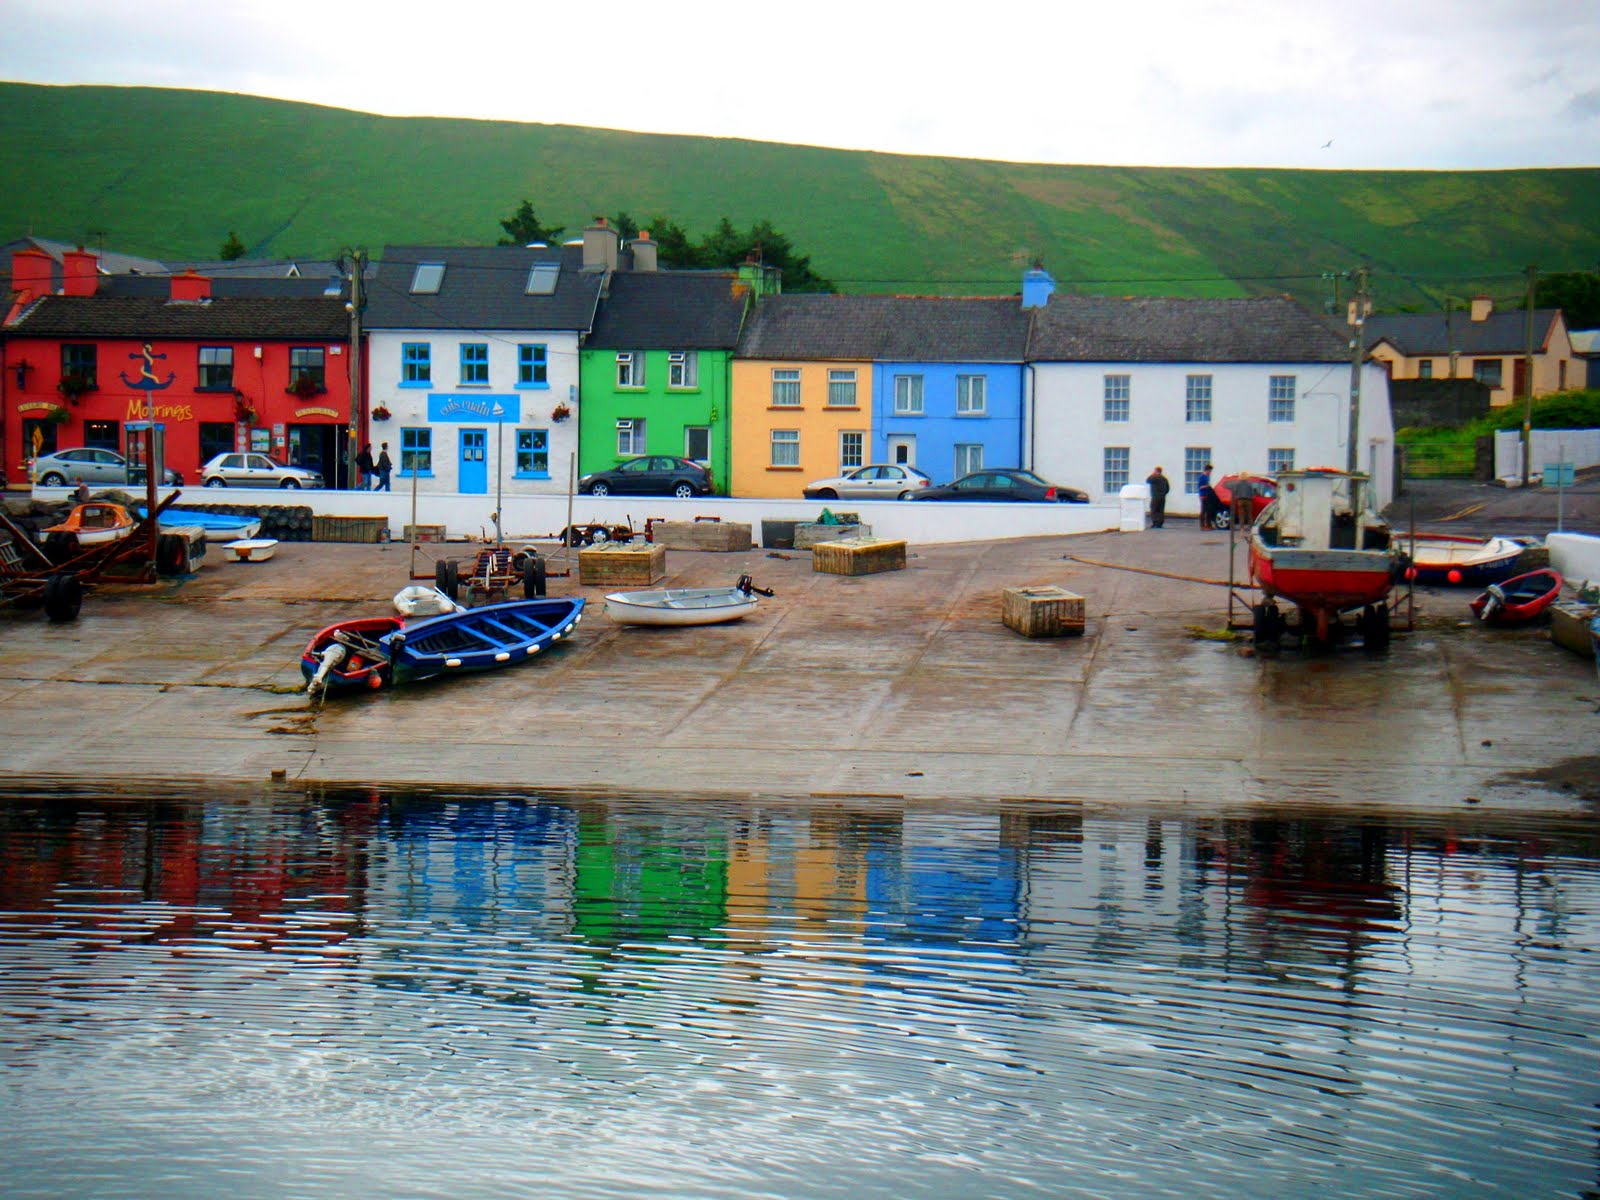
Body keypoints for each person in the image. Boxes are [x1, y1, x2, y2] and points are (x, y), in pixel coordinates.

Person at [1197, 462, 1218, 529]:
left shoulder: (1207, 477)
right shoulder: (1202, 477)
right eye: (1210, 471)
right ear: (1207, 470)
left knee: (1209, 510)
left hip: (1208, 495)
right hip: (1203, 495)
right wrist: (1207, 486)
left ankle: (1208, 524)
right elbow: (1200, 487)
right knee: (1203, 510)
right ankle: (1202, 525)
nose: (1210, 472)